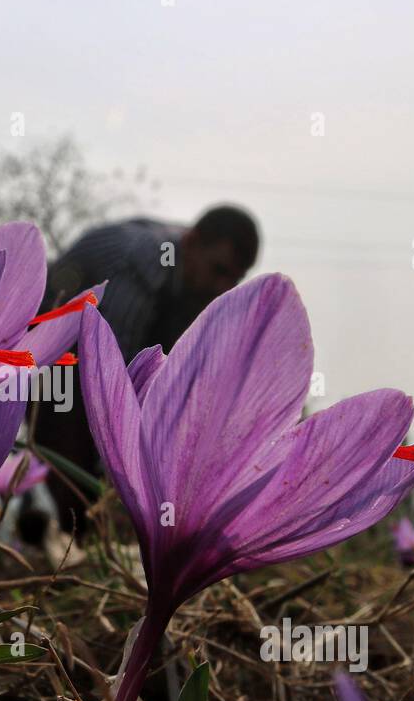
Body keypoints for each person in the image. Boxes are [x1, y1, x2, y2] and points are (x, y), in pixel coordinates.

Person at [32, 204, 260, 538]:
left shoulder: (192, 279)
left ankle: (88, 535)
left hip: (92, 356)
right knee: (73, 465)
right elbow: (110, 370)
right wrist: (120, 477)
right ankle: (74, 540)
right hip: (55, 357)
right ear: (192, 242)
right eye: (218, 270)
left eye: (234, 279)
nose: (222, 285)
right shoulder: (144, 260)